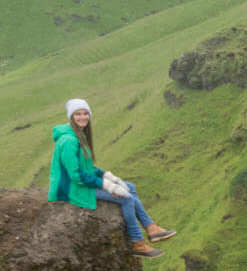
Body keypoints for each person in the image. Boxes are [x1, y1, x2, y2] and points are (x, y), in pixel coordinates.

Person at [47, 98, 175, 257]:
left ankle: (151, 228)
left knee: (130, 187)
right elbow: (76, 175)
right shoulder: (69, 140)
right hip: (70, 188)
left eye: (85, 113)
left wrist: (108, 176)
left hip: (79, 183)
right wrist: (107, 186)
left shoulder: (78, 135)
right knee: (126, 198)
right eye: (77, 114)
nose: (82, 117)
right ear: (71, 116)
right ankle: (137, 242)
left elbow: (86, 168)